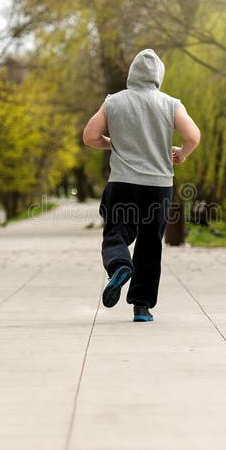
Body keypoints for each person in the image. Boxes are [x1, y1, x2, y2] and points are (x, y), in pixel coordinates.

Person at [82, 48, 201, 322]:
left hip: (122, 183)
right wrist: (181, 153)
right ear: (159, 75)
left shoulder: (113, 102)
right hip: (158, 186)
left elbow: (90, 136)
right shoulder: (170, 103)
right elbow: (193, 136)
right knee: (150, 243)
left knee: (116, 232)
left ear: (131, 74)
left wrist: (111, 144)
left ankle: (120, 265)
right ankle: (142, 307)